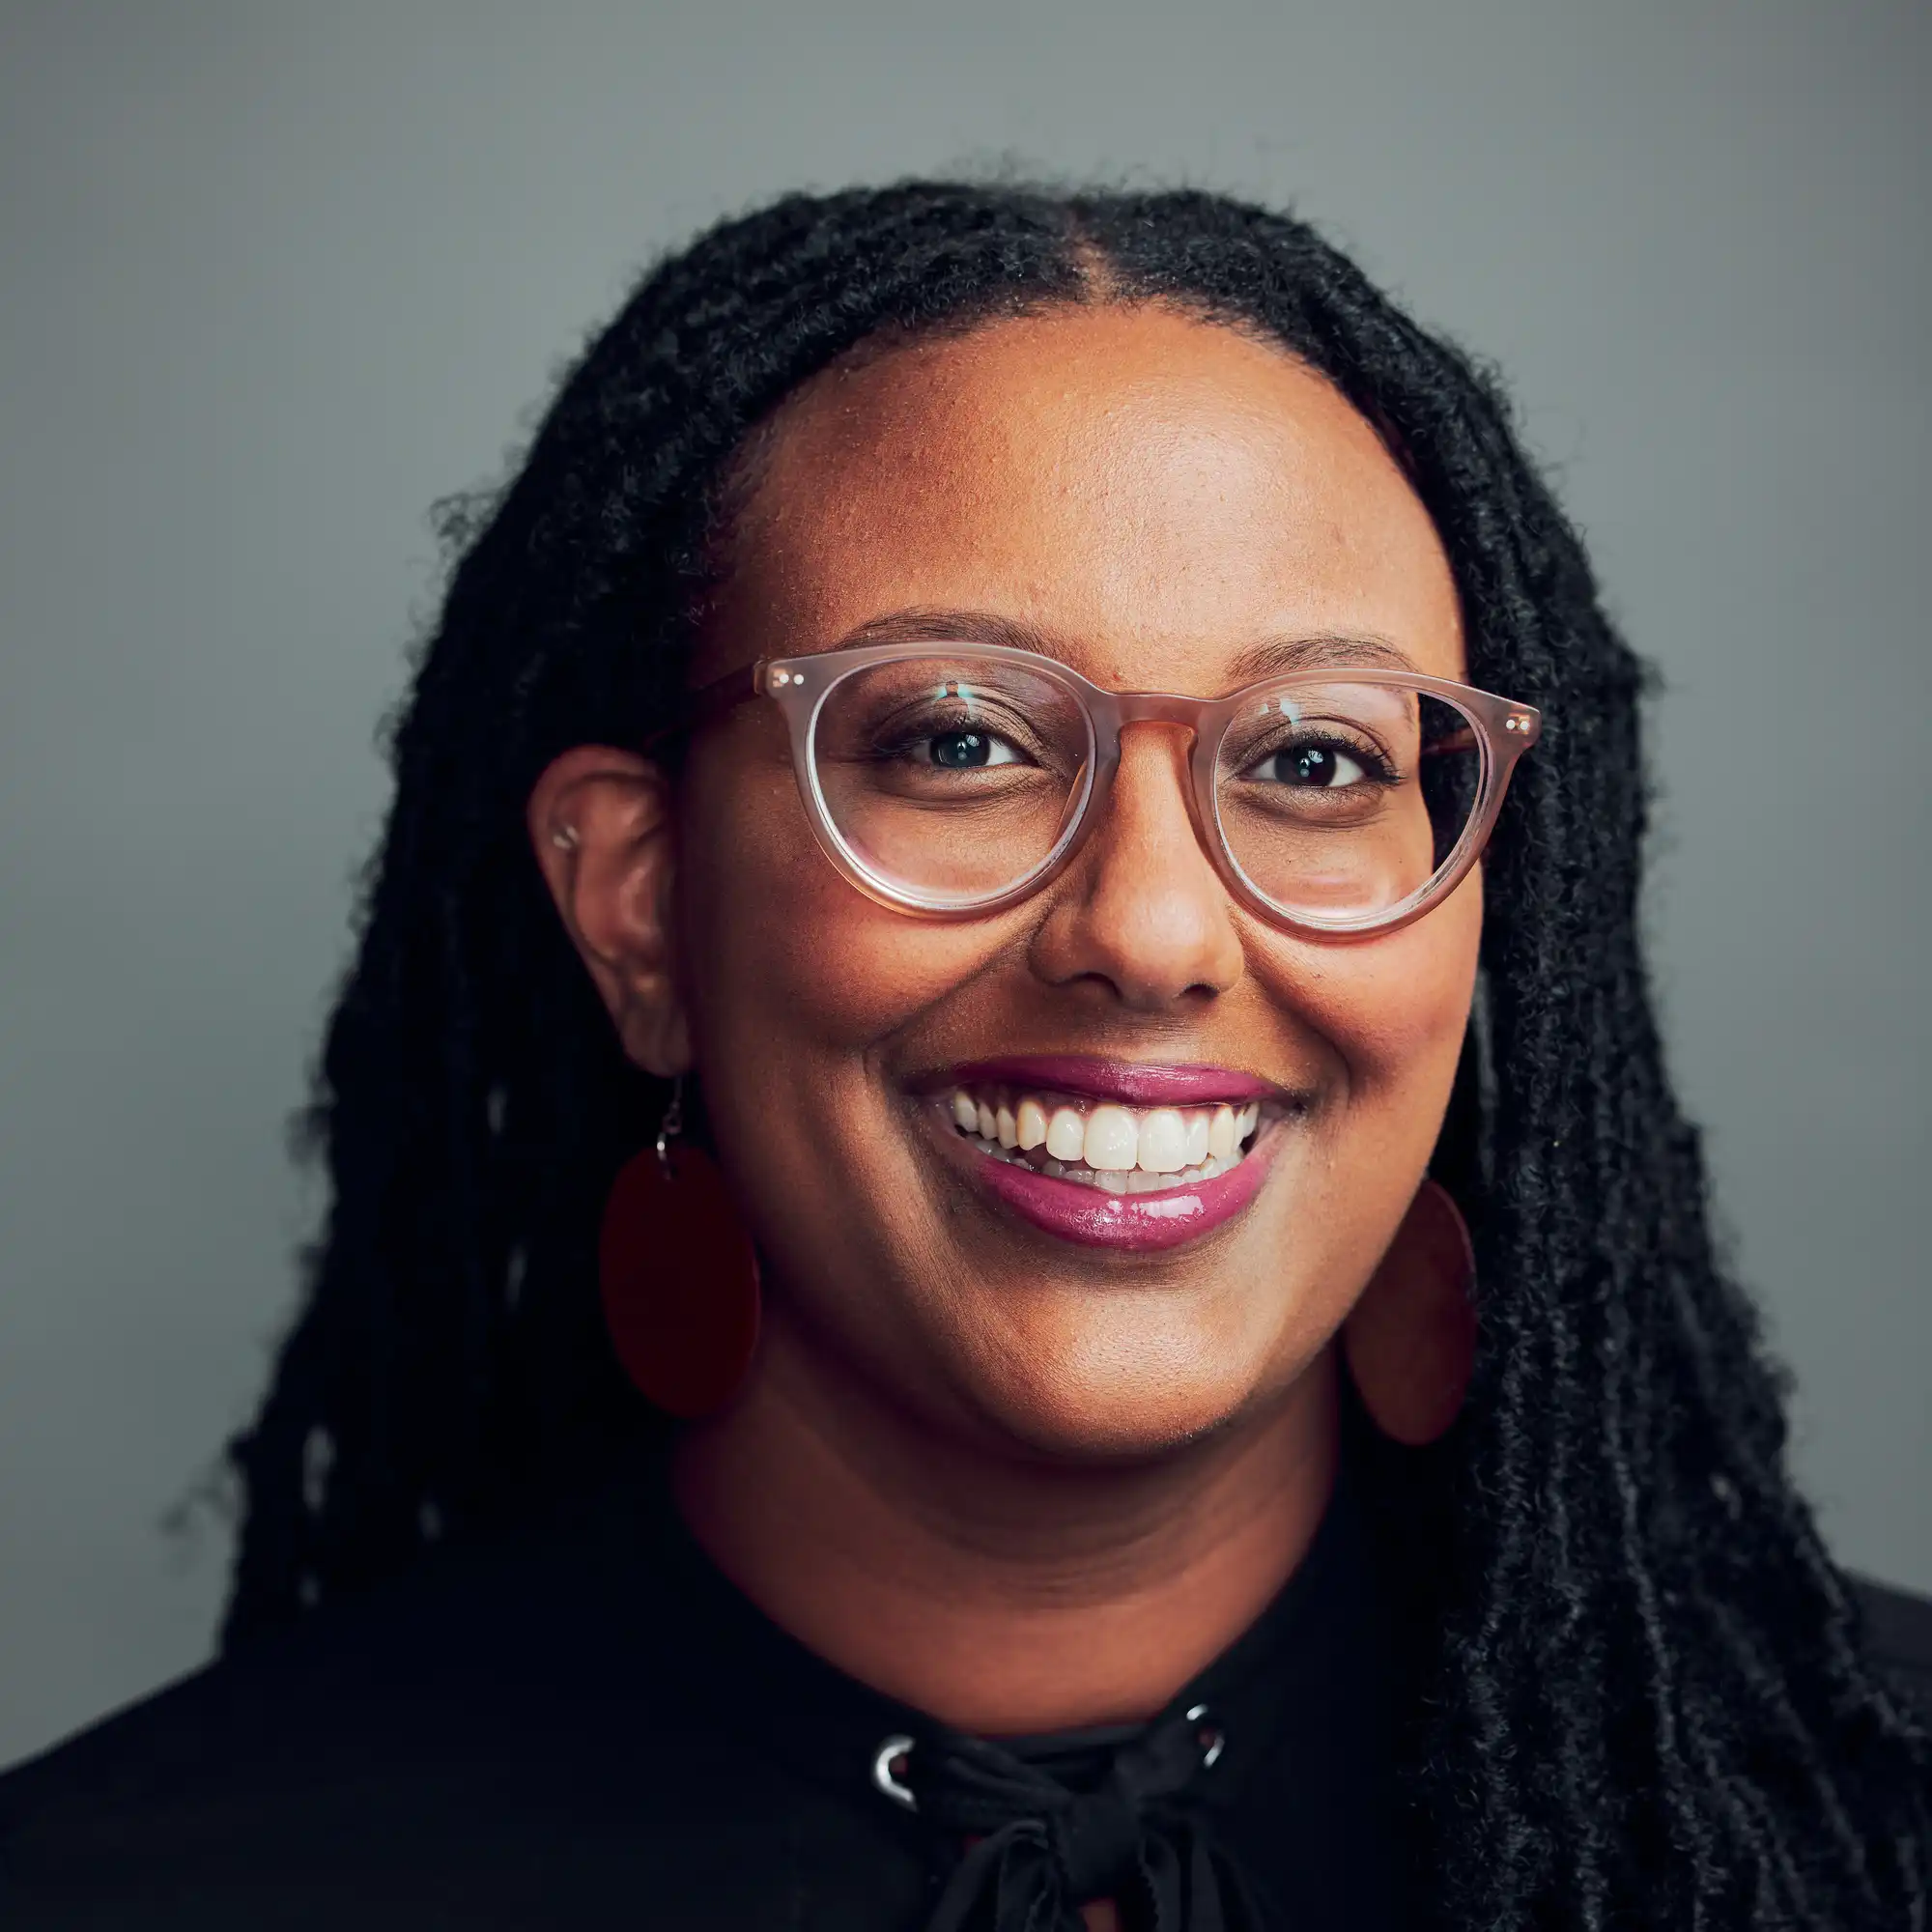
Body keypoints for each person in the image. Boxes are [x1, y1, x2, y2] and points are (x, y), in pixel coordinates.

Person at [1, 181, 1926, 1931]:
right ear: (643, 909)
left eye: (1315, 758)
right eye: (958, 742)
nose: (1152, 934)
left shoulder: (1847, 1834)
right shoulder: (126, 1891)